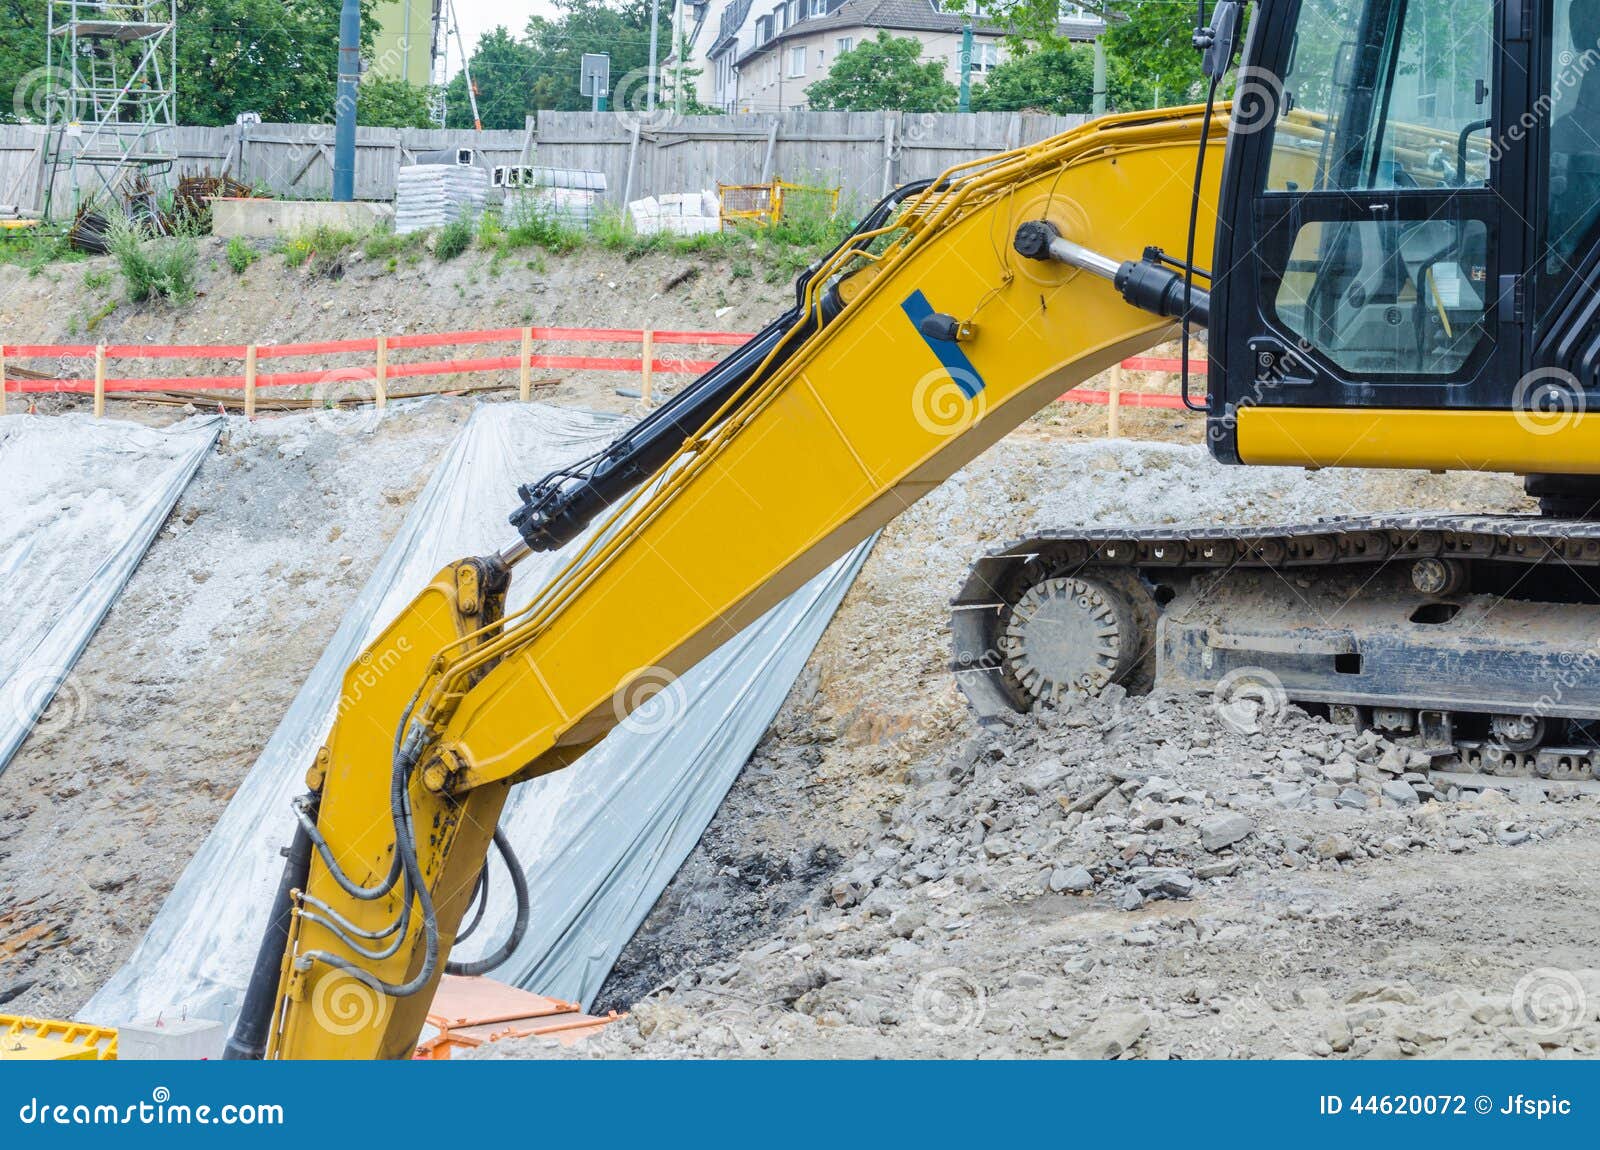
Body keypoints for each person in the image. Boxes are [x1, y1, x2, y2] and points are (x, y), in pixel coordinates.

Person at [1547, 1, 1600, 287]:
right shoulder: (1588, 66)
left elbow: (1579, 128)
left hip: (1587, 185)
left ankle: (1558, 262)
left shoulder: (1586, 69)